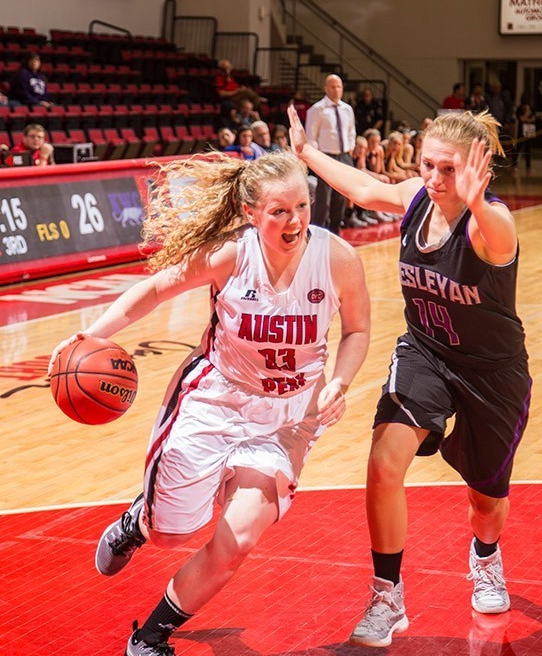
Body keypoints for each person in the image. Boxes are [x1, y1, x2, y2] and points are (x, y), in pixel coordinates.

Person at [48, 151, 370, 656]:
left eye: (303, 206)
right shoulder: (230, 256)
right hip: (215, 399)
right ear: (250, 212)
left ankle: (149, 638)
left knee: (238, 540)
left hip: (288, 418)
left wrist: (341, 382)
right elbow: (153, 291)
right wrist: (84, 337)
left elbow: (358, 329)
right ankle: (141, 521)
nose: (295, 221)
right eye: (279, 210)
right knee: (172, 536)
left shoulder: (336, 258)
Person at [288, 103, 531, 647]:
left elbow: (502, 243)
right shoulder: (417, 197)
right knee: (383, 460)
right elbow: (366, 190)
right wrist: (306, 153)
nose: (435, 179)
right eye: (428, 166)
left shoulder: (491, 220)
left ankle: (486, 557)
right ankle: (387, 594)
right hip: (426, 352)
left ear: (476, 166)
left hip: (492, 373)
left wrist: (475, 202)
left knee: (486, 500)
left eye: (449, 169)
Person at [305, 74, 356, 235]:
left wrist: (350, 149)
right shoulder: (317, 109)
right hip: (326, 156)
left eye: (339, 86)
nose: (336, 89)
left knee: (341, 195)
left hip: (344, 155)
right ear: (326, 88)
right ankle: (318, 231)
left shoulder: (347, 109)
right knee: (323, 197)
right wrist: (316, 158)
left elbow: (351, 132)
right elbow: (311, 135)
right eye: (333, 86)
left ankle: (335, 230)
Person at [515, 94, 536, 173]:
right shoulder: (519, 109)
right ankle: (514, 165)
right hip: (521, 130)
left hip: (529, 129)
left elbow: (533, 118)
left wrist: (527, 119)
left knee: (528, 148)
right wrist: (527, 117)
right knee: (518, 148)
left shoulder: (532, 108)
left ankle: (528, 166)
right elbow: (521, 119)